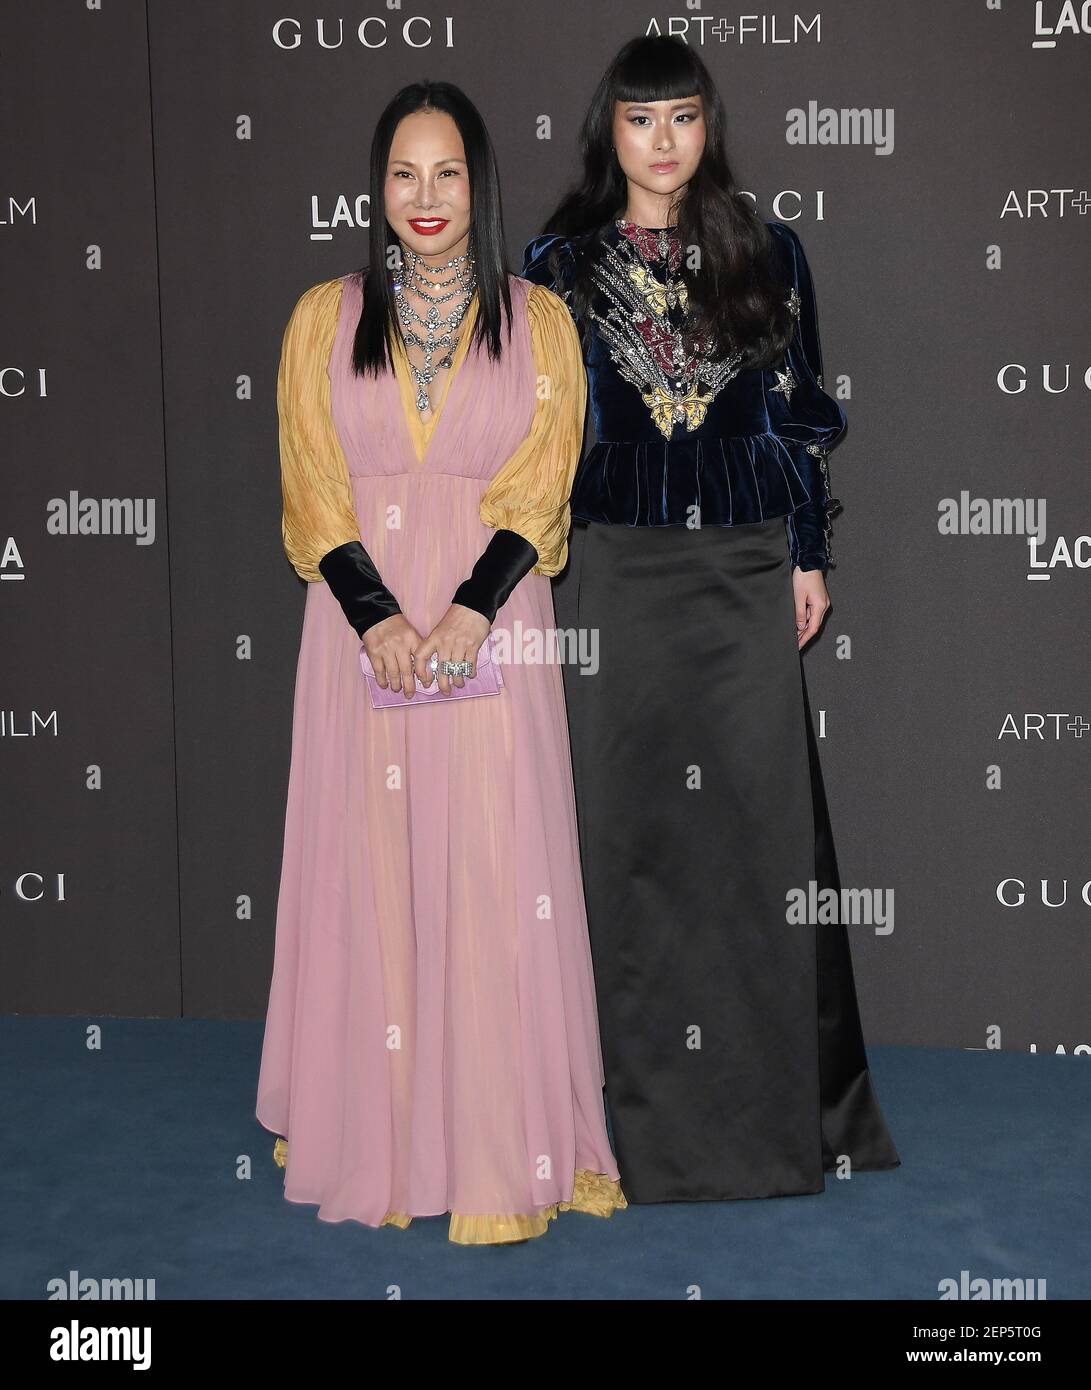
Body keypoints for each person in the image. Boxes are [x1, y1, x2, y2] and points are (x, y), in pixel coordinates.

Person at [520, 34, 900, 1203]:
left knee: (755, 842)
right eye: (640, 121)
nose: (663, 141)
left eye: (682, 117)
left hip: (741, 574)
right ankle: (627, 1129)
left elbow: (796, 412)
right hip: (624, 576)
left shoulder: (764, 247)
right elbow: (539, 429)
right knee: (630, 842)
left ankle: (779, 1118)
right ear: (609, 132)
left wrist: (805, 551)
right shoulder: (558, 264)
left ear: (707, 124)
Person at [256, 81, 626, 1244]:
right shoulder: (324, 317)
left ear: (480, 183)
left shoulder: (539, 324)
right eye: (404, 174)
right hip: (355, 640)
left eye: (448, 173)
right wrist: (377, 618)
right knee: (367, 876)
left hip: (493, 632)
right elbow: (312, 483)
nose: (425, 198)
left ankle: (488, 1143)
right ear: (377, 187)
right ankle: (378, 1134)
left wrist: (466, 613)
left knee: (484, 873)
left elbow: (540, 481)